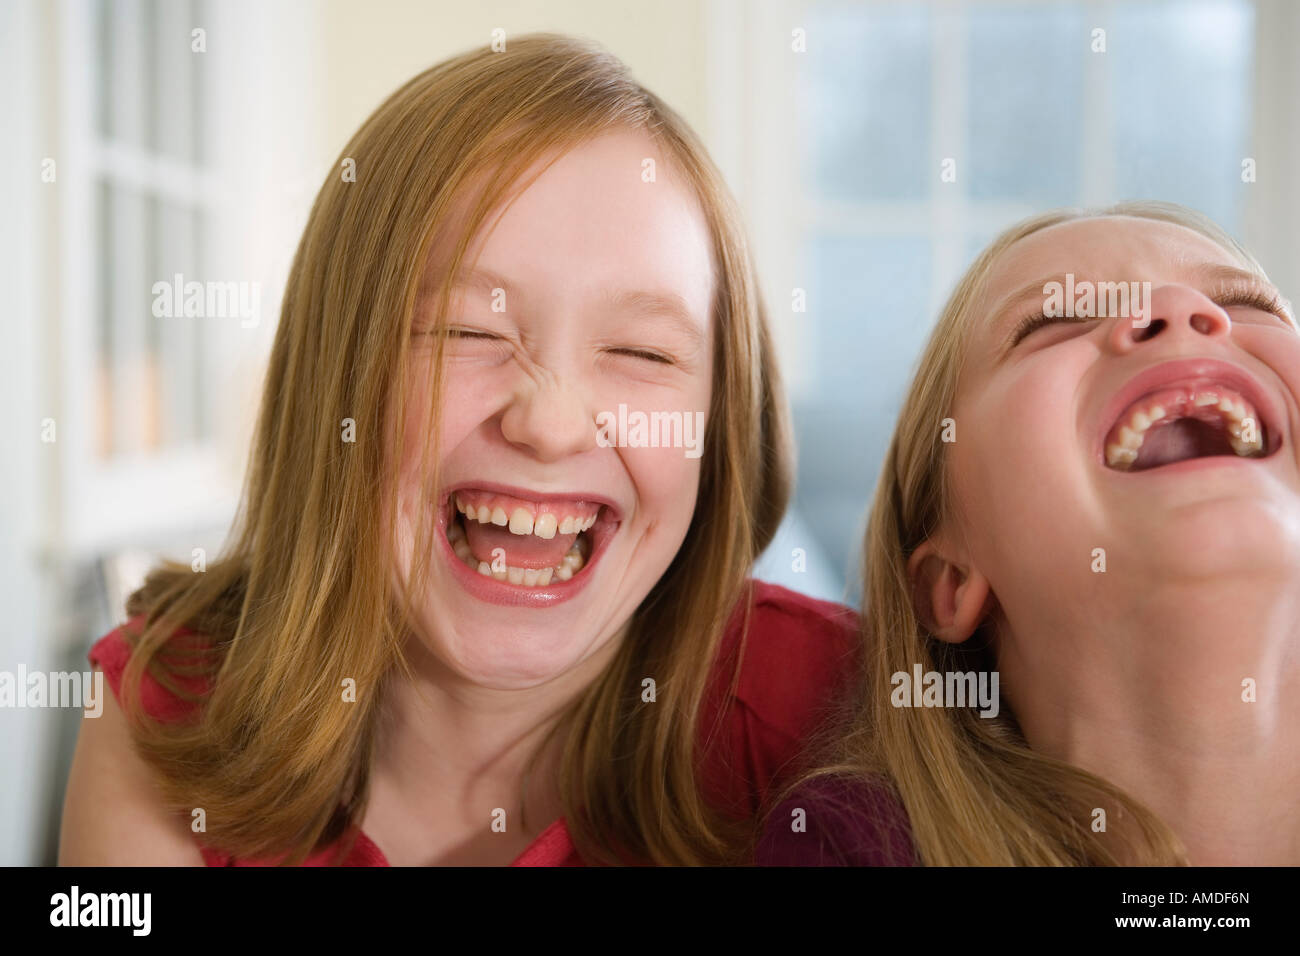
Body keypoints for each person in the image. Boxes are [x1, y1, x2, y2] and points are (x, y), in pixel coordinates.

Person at [59, 34, 857, 867]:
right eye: (465, 331)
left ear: (718, 433)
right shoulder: (166, 706)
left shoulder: (840, 714)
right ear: (334, 383)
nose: (551, 423)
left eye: (642, 355)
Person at [756, 201, 1299, 866]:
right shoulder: (852, 848)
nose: (1179, 308)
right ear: (950, 581)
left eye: (1247, 303)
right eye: (1053, 320)